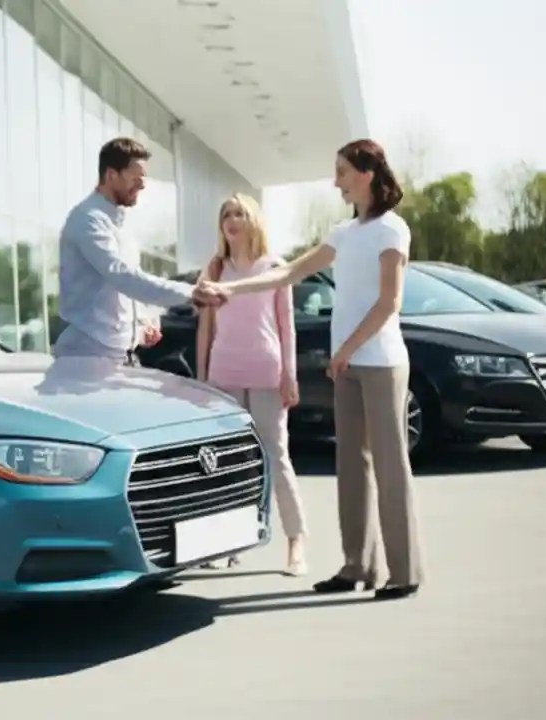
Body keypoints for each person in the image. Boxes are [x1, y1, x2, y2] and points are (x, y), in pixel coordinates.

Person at [194, 139, 423, 601]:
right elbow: (285, 275)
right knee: (351, 467)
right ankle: (357, 566)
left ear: (365, 173)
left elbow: (389, 302)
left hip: (380, 364)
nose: (336, 181)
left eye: (341, 171)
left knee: (389, 467)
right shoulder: (343, 233)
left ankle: (404, 572)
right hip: (349, 365)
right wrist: (229, 289)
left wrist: (348, 348)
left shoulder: (391, 230)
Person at [195, 193, 309, 576]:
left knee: (276, 458)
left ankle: (296, 542)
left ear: (252, 220)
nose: (232, 219)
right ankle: (228, 543)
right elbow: (205, 329)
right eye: (226, 213)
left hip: (265, 371)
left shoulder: (273, 267)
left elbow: (286, 327)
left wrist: (289, 374)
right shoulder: (215, 267)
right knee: (225, 463)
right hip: (224, 374)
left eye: (239, 213)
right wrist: (201, 377)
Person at [54, 137, 194, 365]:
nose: (142, 185)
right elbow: (123, 277)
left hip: (121, 355)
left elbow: (127, 286)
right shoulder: (88, 220)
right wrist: (191, 294)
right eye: (136, 179)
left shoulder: (122, 225)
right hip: (87, 357)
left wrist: (146, 322)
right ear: (111, 175)